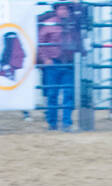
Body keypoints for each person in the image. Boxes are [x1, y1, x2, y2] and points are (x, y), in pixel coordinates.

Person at [37, 2, 81, 131]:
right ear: (56, 10)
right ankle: (52, 123)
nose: (63, 11)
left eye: (66, 9)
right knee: (52, 93)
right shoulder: (49, 23)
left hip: (68, 63)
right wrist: (45, 59)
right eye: (61, 8)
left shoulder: (73, 24)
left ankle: (67, 123)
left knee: (68, 93)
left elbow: (83, 13)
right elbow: (40, 43)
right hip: (53, 63)